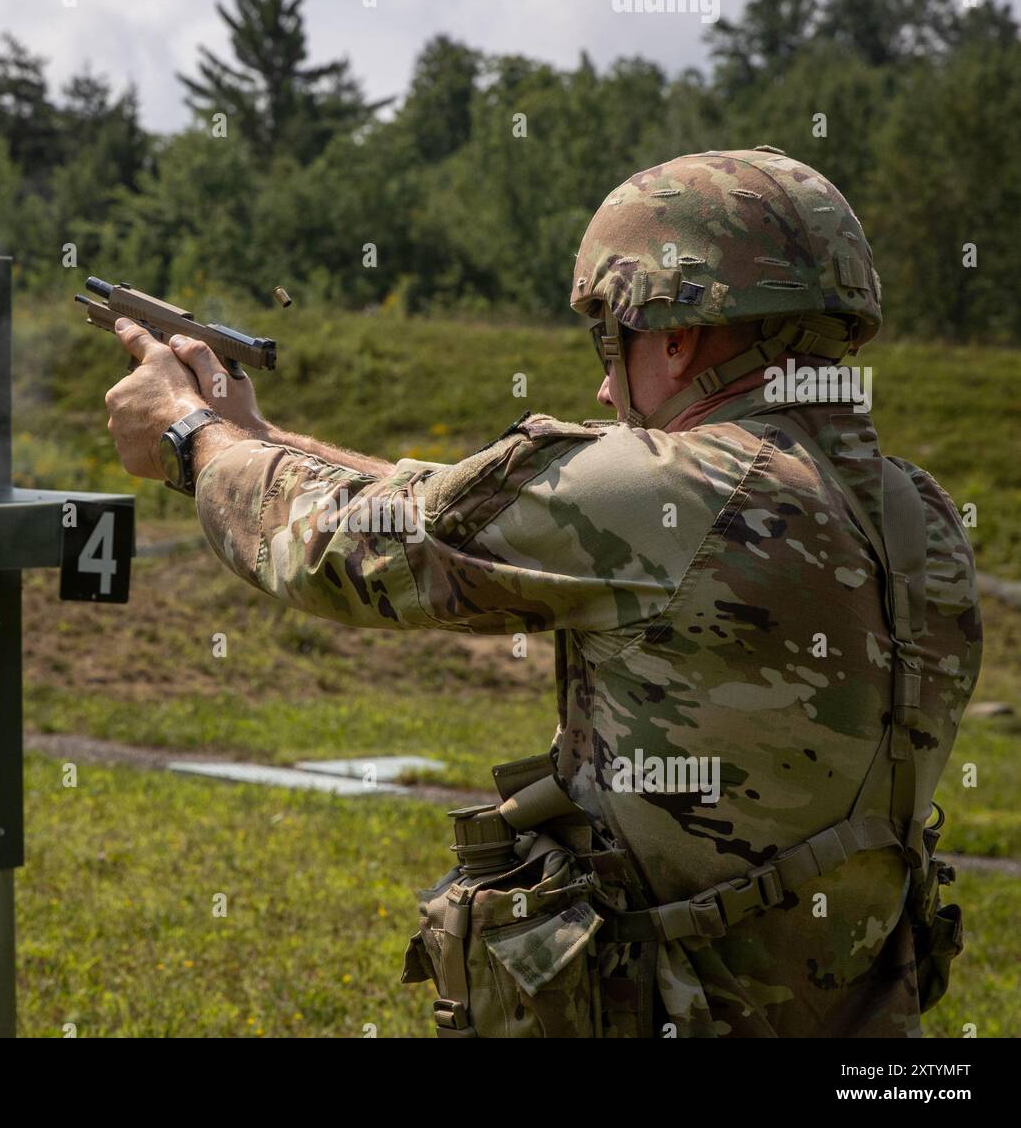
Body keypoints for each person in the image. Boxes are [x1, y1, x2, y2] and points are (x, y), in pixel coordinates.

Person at [104, 146, 981, 1037]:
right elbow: (452, 510)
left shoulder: (675, 491)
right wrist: (263, 437)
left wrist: (192, 439)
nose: (606, 384)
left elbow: (352, 550)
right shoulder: (919, 511)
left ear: (676, 335)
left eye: (616, 338)